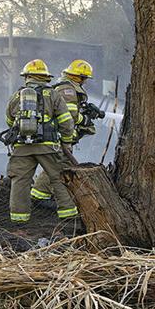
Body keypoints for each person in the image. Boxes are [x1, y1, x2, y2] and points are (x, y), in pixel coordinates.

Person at [5, 59, 77, 223]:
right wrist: (67, 142)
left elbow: (9, 121)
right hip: (47, 147)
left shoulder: (17, 95)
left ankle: (19, 219)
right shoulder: (52, 94)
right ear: (45, 77)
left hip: (21, 146)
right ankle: (69, 216)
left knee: (20, 181)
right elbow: (66, 121)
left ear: (27, 77)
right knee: (58, 178)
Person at [31, 59, 95, 202]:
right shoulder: (68, 89)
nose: (85, 82)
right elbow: (70, 113)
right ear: (80, 77)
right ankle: (39, 197)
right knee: (56, 165)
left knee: (64, 165)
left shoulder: (67, 88)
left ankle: (60, 197)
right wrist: (84, 120)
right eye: (84, 78)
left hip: (59, 133)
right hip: (59, 134)